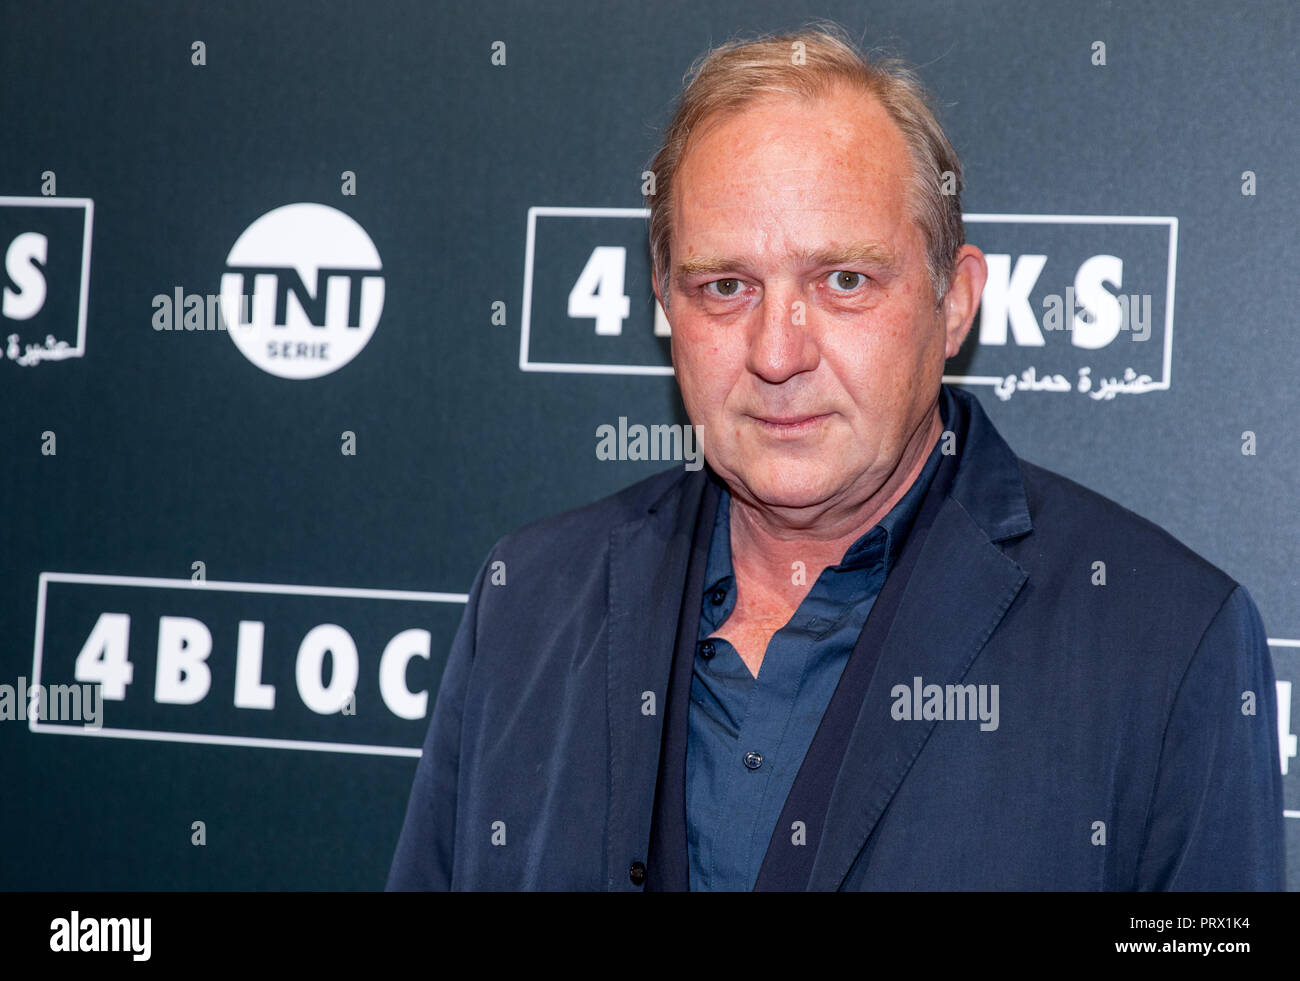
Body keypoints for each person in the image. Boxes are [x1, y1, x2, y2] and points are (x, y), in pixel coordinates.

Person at [388, 24, 1284, 890]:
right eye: (725, 287)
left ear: (956, 302)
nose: (778, 352)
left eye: (844, 281)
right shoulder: (529, 599)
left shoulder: (1167, 642)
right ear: (665, 303)